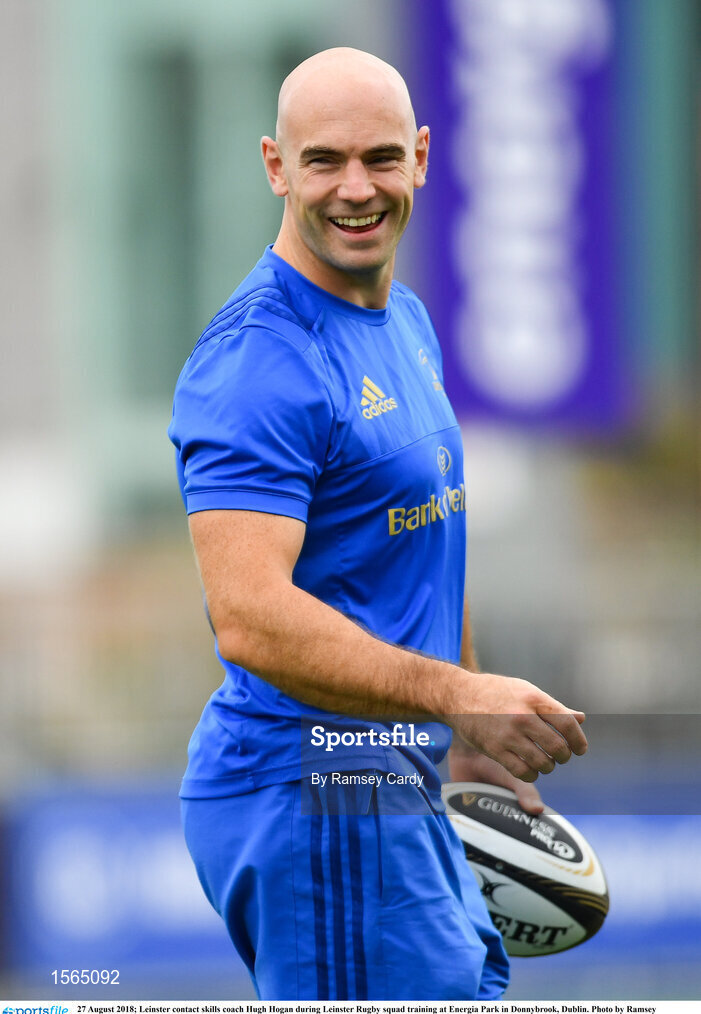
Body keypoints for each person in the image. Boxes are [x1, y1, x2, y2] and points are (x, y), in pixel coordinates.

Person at [168, 47, 587, 1001]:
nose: (354, 189)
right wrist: (448, 695)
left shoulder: (405, 319)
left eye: (380, 158)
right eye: (323, 161)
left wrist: (468, 727)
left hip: (396, 781)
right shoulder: (255, 363)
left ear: (423, 157)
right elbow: (248, 616)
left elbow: (422, 539)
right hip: (318, 789)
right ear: (276, 166)